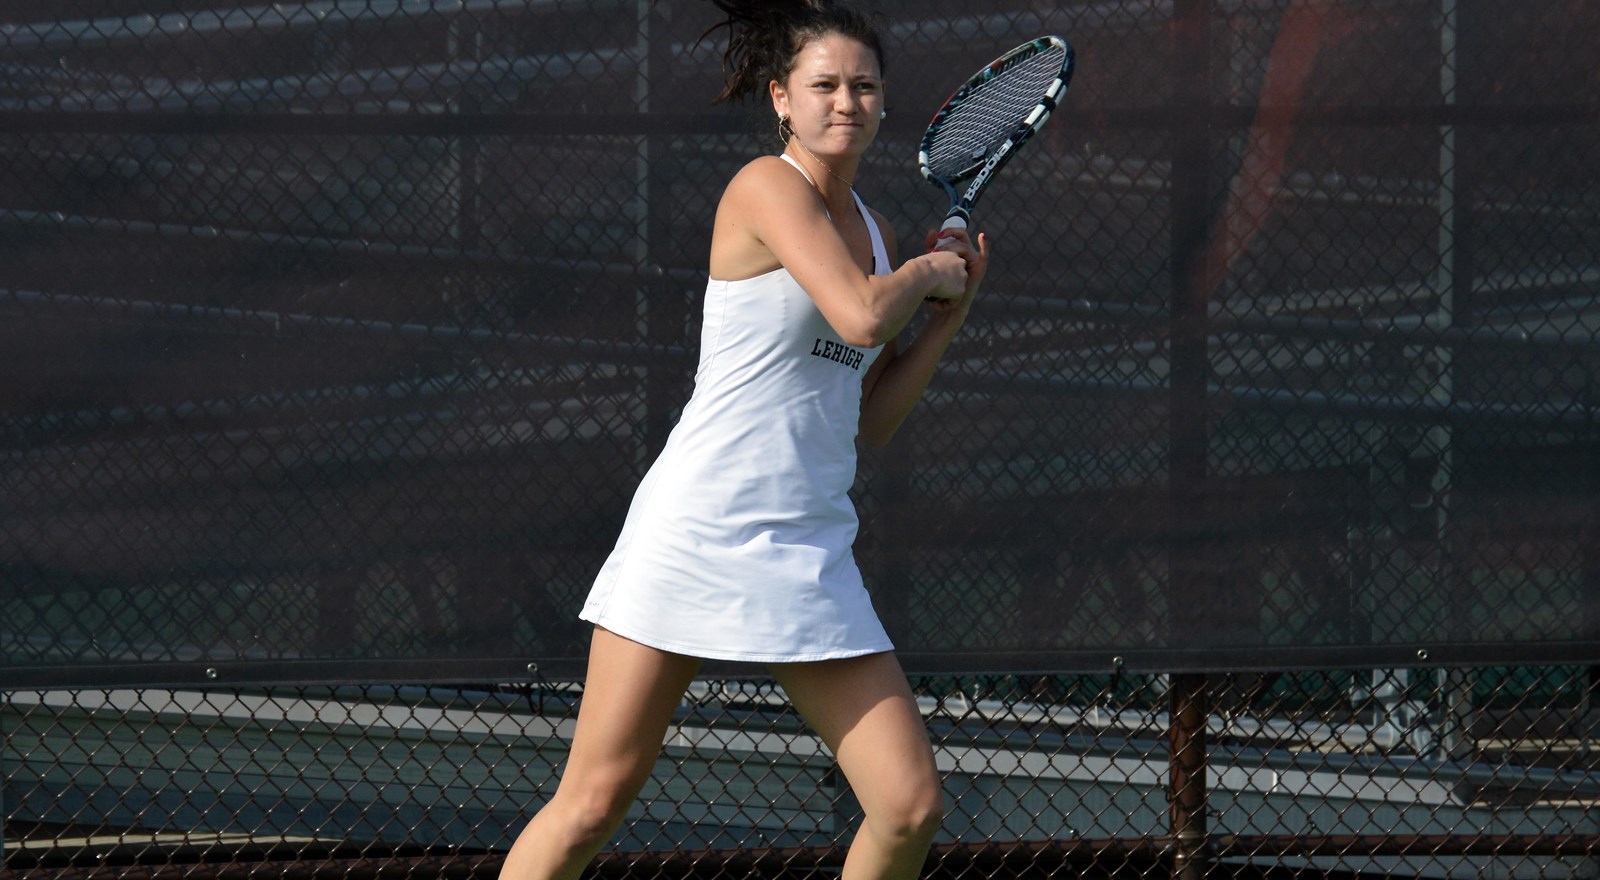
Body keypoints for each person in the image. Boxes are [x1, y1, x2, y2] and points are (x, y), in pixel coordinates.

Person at [498, 2, 989, 879]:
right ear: (782, 100)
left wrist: (947, 320)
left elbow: (868, 415)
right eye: (826, 85)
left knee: (908, 807)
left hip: (805, 544)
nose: (848, 102)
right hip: (694, 531)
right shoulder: (765, 188)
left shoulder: (871, 231)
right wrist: (924, 275)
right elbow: (860, 311)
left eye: (865, 86)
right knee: (591, 807)